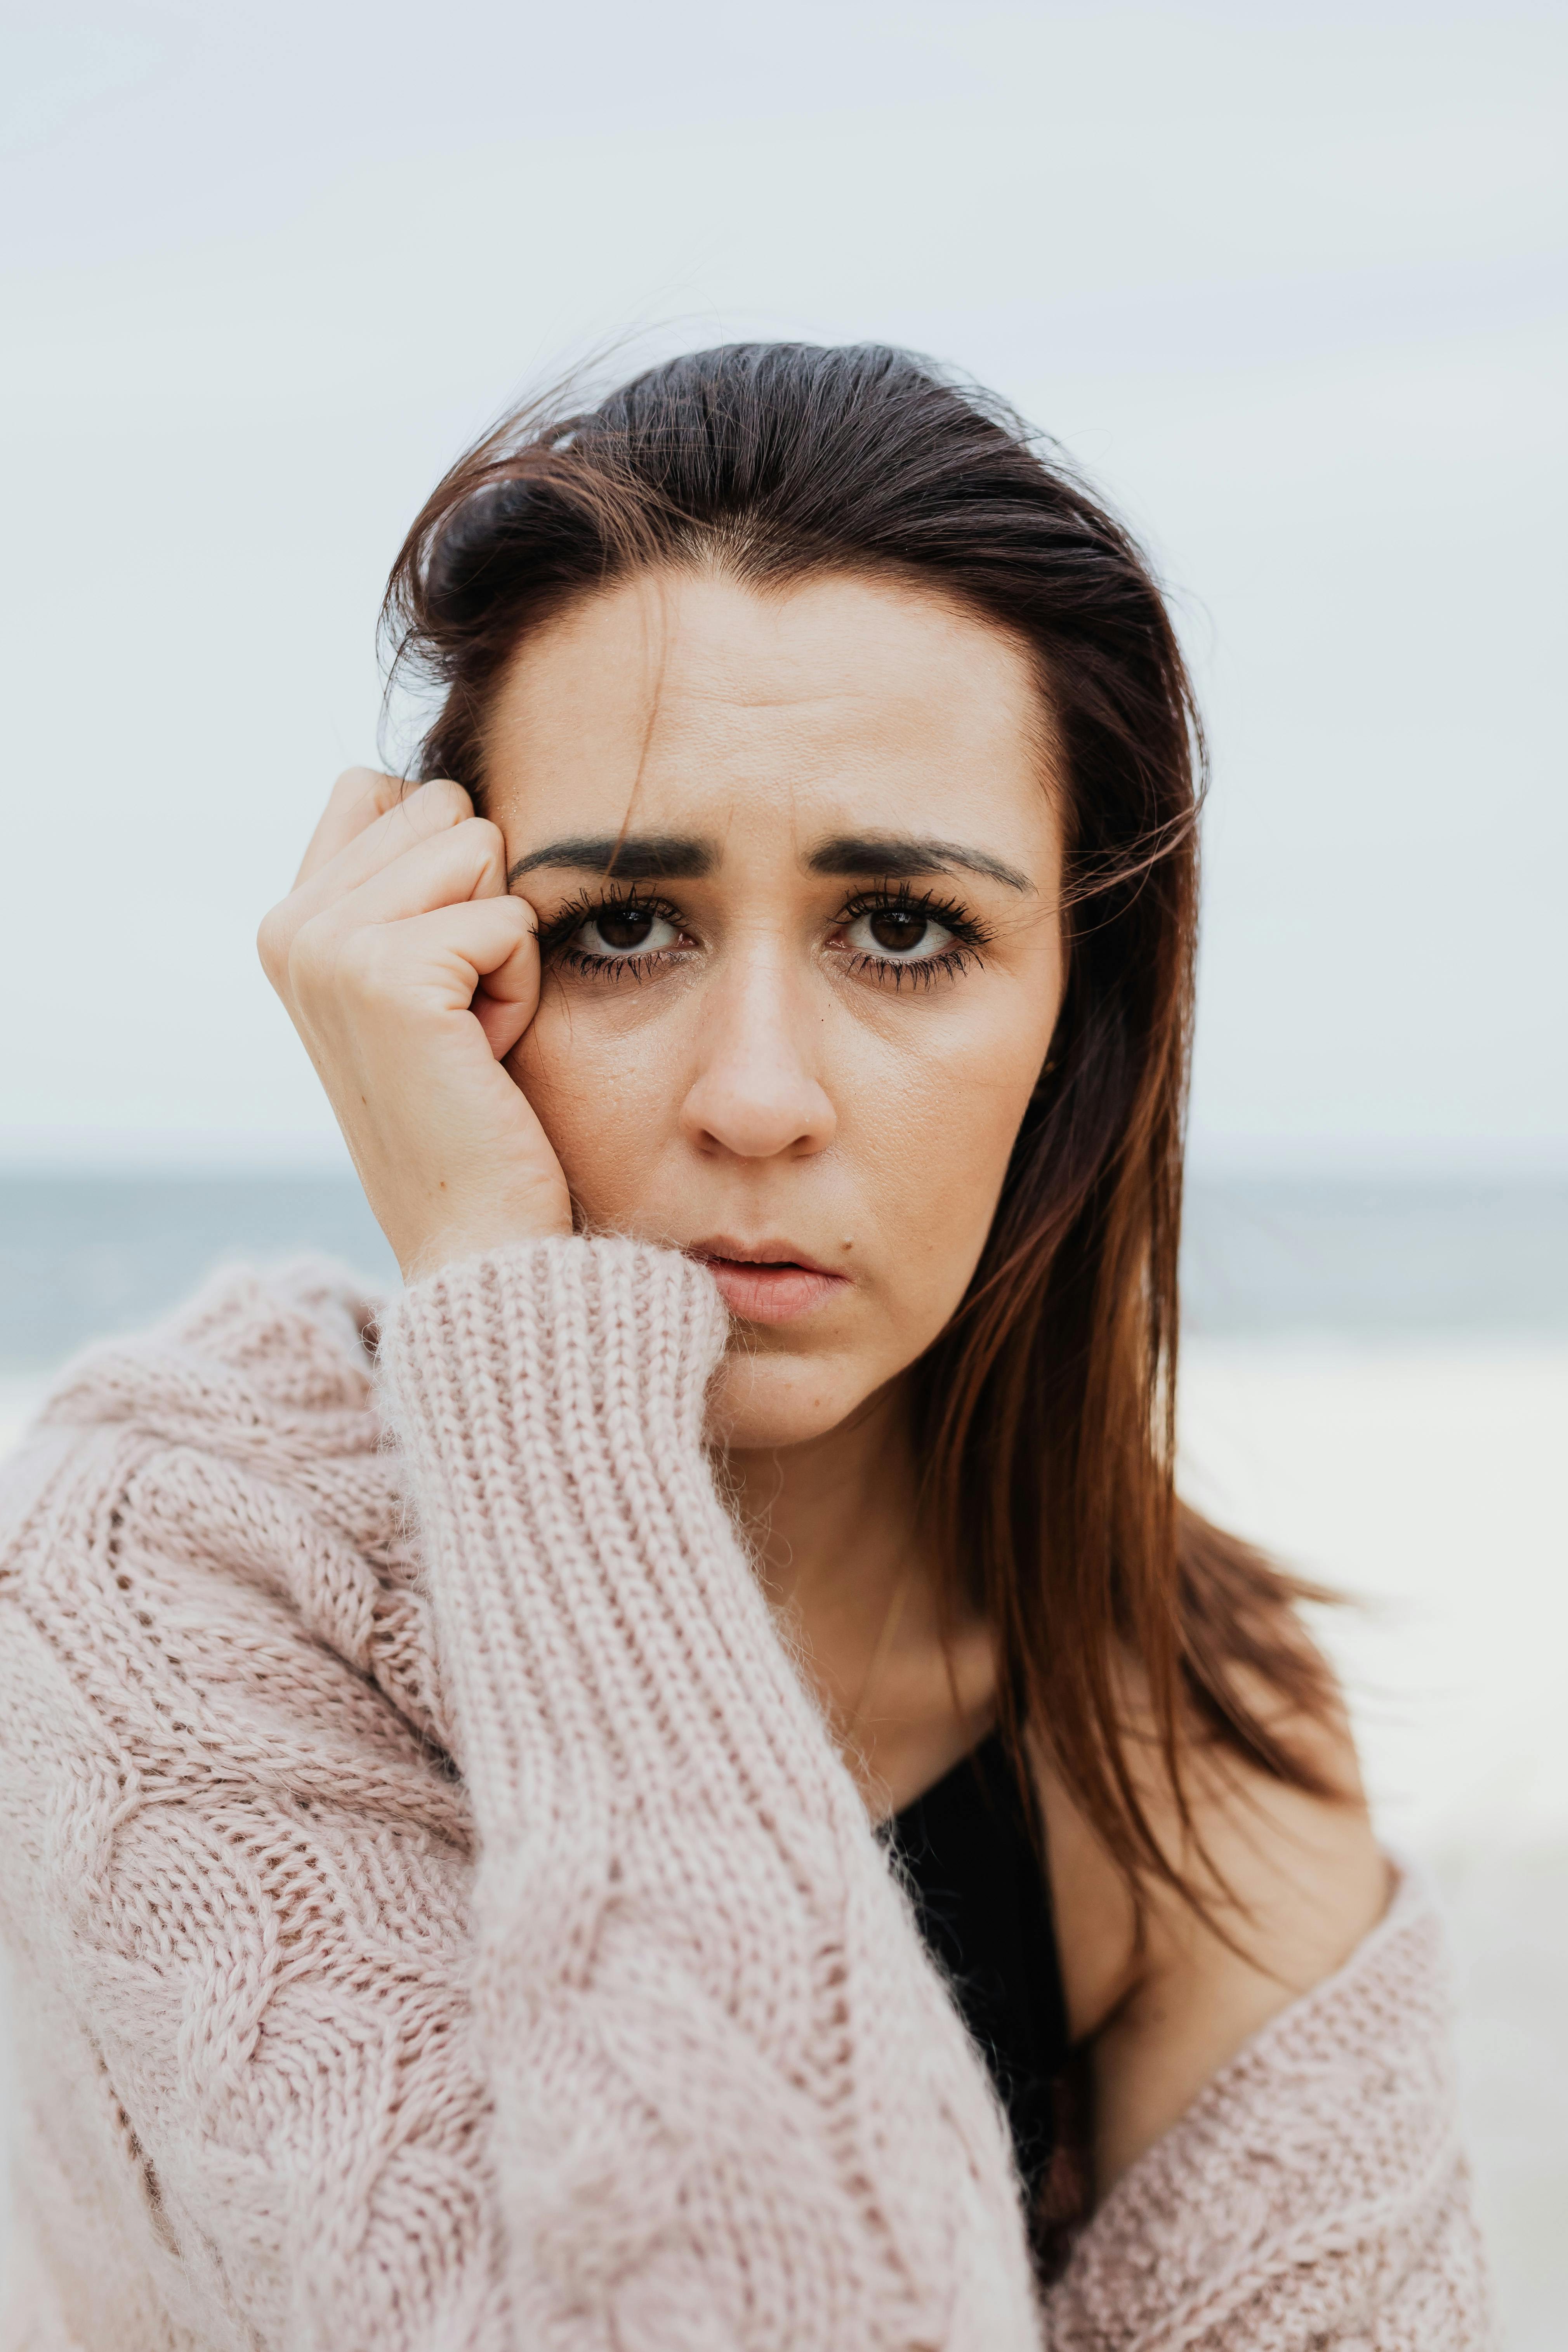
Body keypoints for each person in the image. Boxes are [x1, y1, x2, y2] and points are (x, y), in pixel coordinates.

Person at [0, 344, 1492, 2349]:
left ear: (1079, 1011)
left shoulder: (1180, 1744)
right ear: (450, 972)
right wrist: (522, 1329)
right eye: (623, 926)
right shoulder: (164, 1570)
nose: (760, 1098)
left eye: (902, 930)